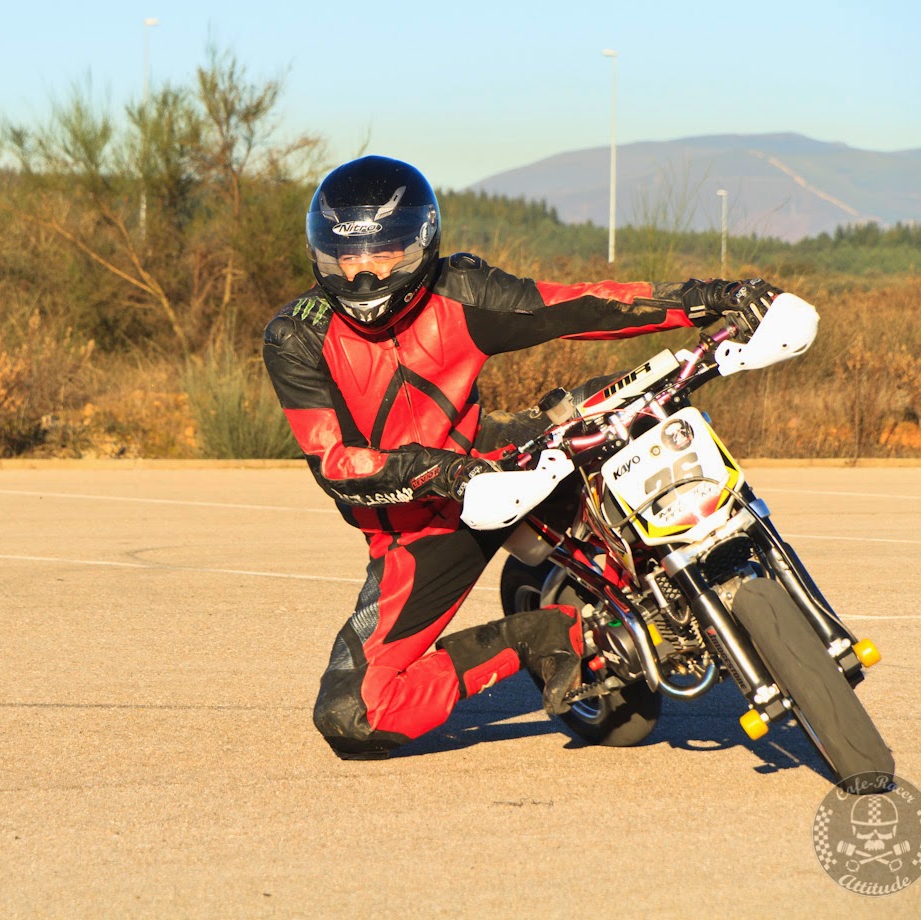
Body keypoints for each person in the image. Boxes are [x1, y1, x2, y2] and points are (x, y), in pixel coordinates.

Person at [262, 155, 781, 760]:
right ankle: (537, 635)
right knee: (352, 716)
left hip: (504, 456)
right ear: (321, 256)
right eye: (345, 258)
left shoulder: (459, 290)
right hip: (419, 528)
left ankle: (717, 564)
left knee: (630, 401)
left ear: (420, 243)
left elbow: (582, 304)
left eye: (384, 254)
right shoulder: (296, 335)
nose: (363, 274)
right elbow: (335, 465)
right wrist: (449, 474)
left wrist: (710, 298)